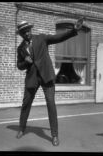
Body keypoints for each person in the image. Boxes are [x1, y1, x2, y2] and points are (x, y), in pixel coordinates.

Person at [16, 18, 84, 146]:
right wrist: (25, 62)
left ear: (31, 30)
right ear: (21, 34)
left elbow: (58, 38)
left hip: (46, 76)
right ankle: (21, 128)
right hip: (32, 79)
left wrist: (73, 30)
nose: (27, 34)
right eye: (23, 32)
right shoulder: (20, 48)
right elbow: (19, 65)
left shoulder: (41, 38)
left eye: (28, 31)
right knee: (26, 104)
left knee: (51, 104)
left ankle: (54, 135)